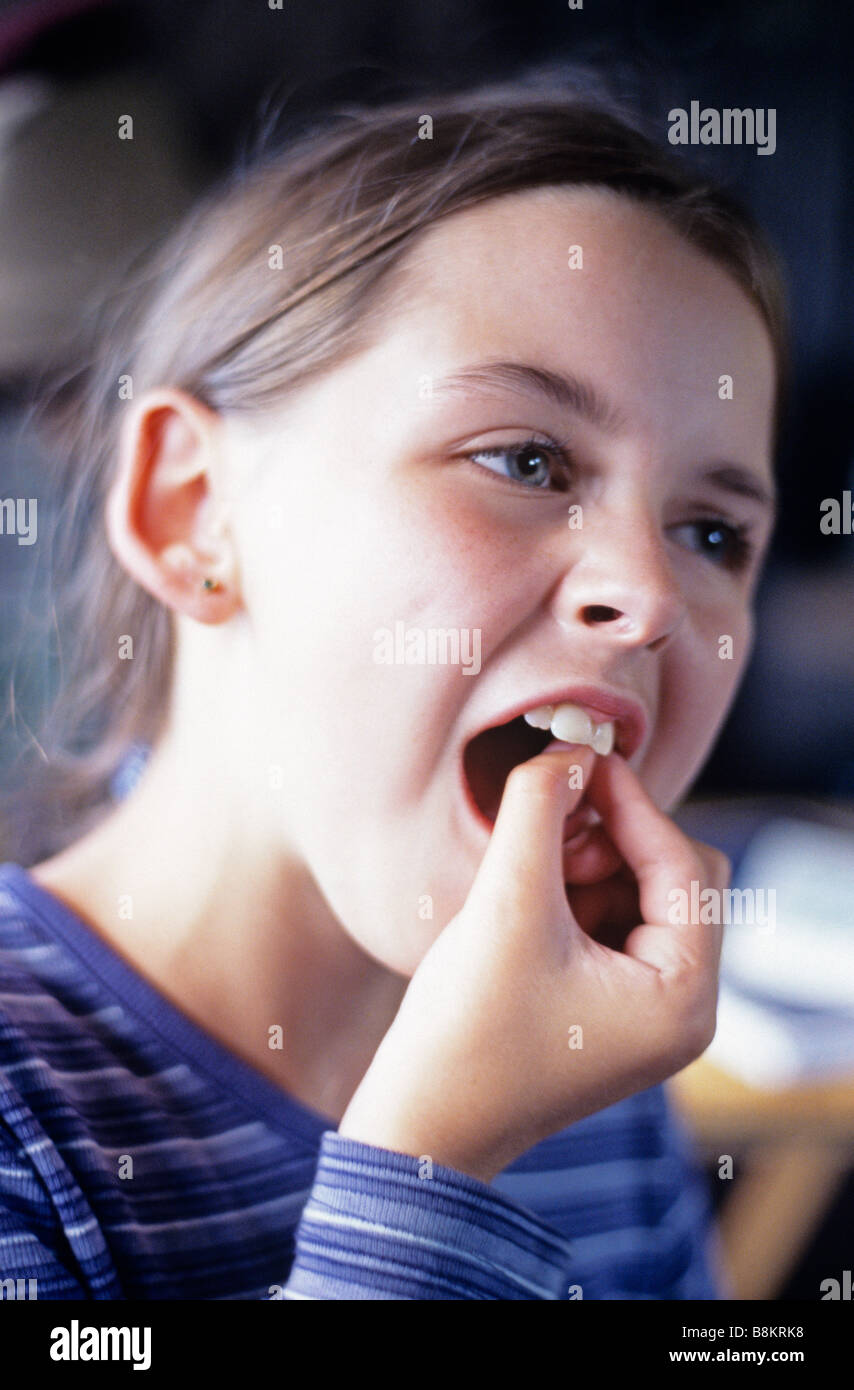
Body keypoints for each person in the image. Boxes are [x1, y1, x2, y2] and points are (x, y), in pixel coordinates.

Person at [0, 79, 785, 1300]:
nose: (649, 592)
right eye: (525, 459)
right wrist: (431, 1174)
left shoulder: (592, 1080)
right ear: (192, 511)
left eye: (711, 532)